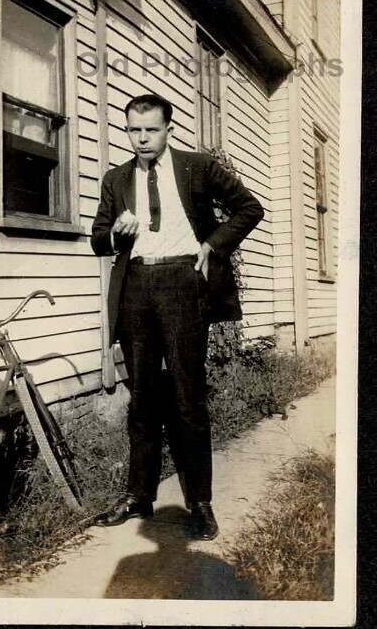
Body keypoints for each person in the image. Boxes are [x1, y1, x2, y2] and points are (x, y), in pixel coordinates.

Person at [91, 94, 264, 539]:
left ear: (169, 129)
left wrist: (213, 245)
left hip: (184, 283)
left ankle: (200, 503)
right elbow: (97, 241)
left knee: (188, 397)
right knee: (143, 398)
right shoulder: (116, 180)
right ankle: (138, 496)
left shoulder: (198, 167)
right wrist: (115, 234)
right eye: (134, 130)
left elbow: (249, 208)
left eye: (151, 129)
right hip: (136, 288)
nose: (142, 138)